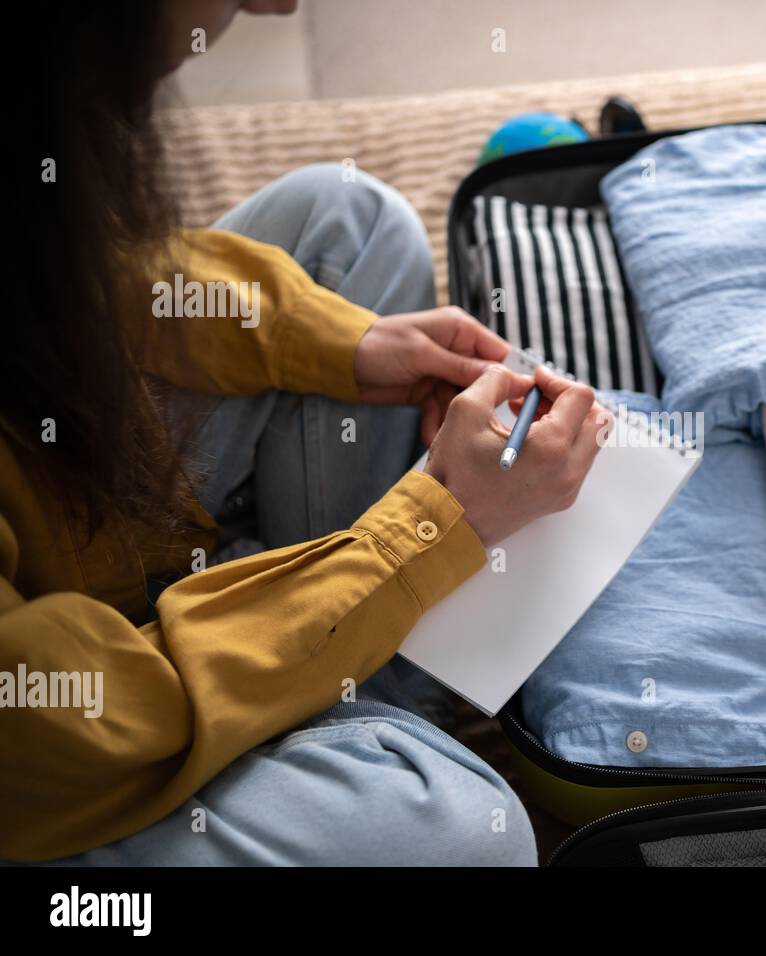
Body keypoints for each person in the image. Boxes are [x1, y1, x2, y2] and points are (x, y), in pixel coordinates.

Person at [1, 0, 605, 865]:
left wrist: (342, 343)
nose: (281, 7)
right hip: (47, 772)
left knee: (349, 222)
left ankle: (323, 657)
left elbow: (72, 277)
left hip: (73, 565)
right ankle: (337, 685)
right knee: (470, 835)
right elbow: (73, 729)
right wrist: (433, 530)